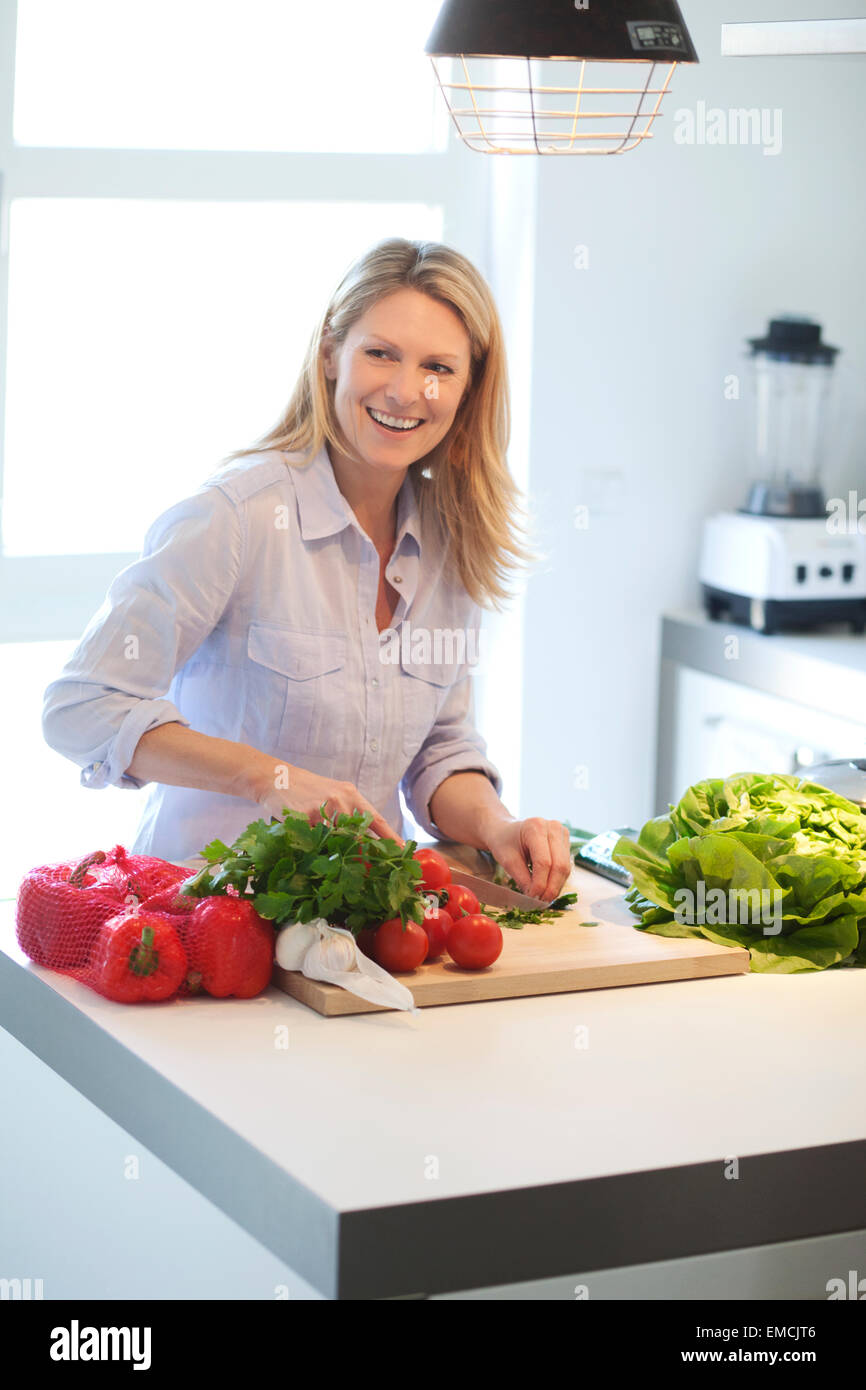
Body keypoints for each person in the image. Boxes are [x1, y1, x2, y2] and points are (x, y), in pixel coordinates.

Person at [42, 237, 572, 900]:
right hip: (202, 923)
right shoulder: (236, 517)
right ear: (330, 355)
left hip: (362, 925)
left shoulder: (453, 541)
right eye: (381, 353)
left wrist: (497, 825)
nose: (406, 390)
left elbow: (440, 751)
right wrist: (271, 778)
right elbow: (81, 706)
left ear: (468, 390)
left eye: (438, 366)